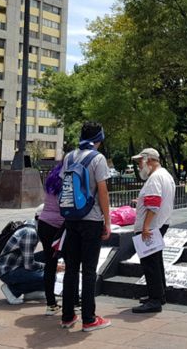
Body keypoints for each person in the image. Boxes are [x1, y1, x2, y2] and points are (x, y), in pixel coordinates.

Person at [59, 122, 112, 332]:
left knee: (71, 269)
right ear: (98, 139)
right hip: (91, 220)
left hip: (71, 218)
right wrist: (107, 222)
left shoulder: (69, 157)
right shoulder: (97, 159)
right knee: (88, 270)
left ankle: (67, 316)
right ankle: (89, 318)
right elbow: (103, 192)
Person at [131, 148, 175, 313]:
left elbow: (154, 203)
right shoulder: (166, 176)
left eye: (140, 162)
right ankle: (159, 295)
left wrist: (145, 227)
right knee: (155, 262)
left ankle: (155, 299)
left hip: (151, 226)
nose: (139, 166)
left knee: (150, 263)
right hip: (160, 224)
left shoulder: (155, 178)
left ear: (148, 160)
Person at [36, 163, 74, 316]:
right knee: (71, 264)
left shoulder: (52, 178)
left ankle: (50, 304)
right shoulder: (69, 179)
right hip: (60, 227)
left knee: (49, 265)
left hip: (44, 223)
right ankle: (73, 302)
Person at [0, 209, 46, 305]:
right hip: (8, 271)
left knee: (49, 255)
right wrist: (49, 267)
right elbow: (29, 265)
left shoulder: (32, 224)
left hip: (17, 263)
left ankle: (32, 293)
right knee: (49, 275)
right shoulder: (30, 233)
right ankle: (13, 290)